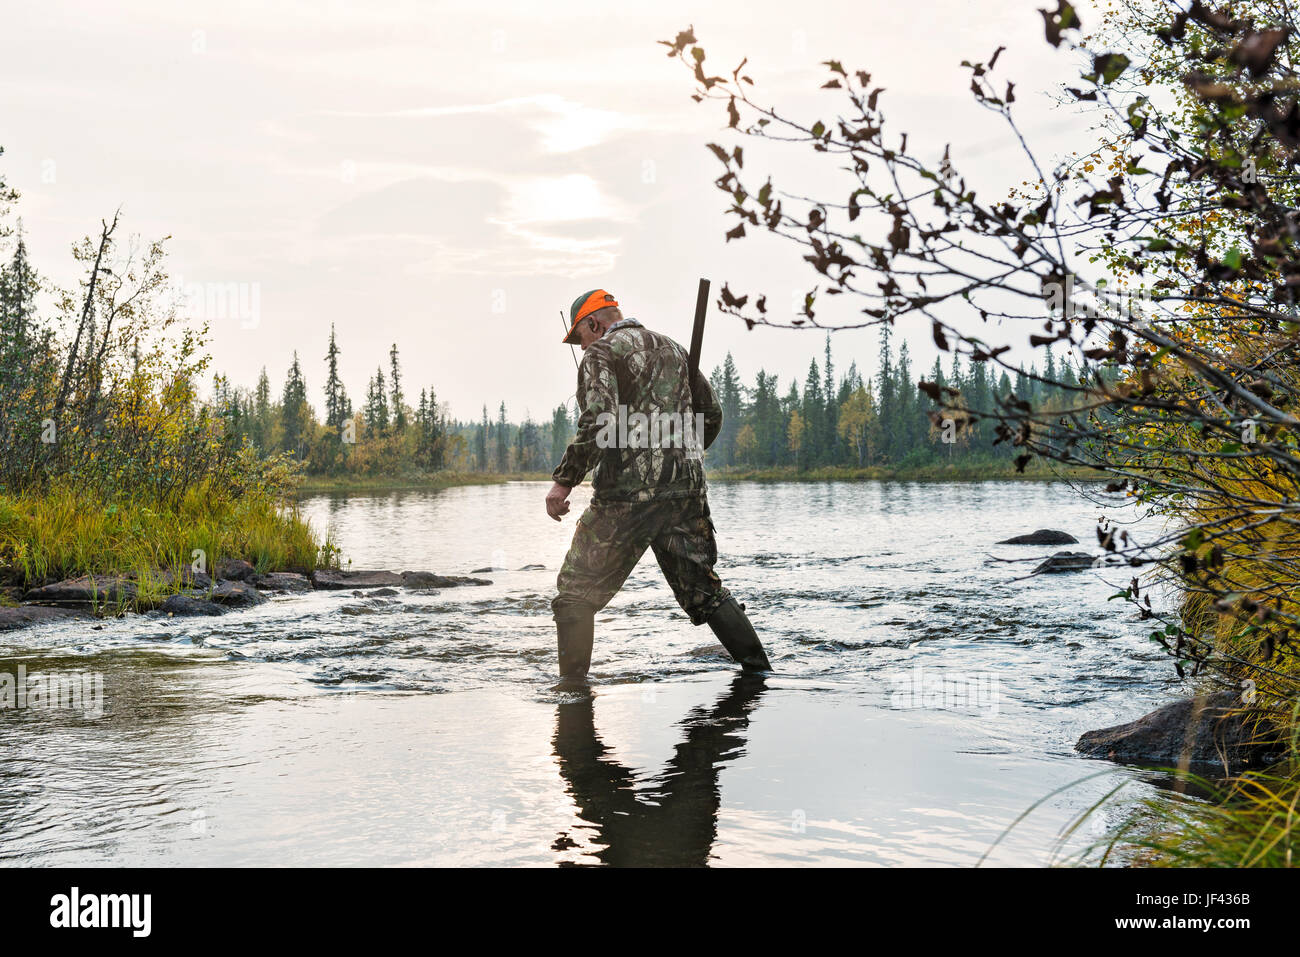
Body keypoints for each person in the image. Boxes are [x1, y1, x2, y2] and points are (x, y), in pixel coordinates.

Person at [546, 287, 773, 690]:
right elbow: (712, 414)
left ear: (594, 324)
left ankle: (572, 695)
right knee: (704, 590)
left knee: (575, 595)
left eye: (579, 338)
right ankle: (760, 674)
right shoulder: (674, 349)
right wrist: (682, 455)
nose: (582, 348)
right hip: (686, 494)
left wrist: (564, 482)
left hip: (625, 499)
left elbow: (599, 420)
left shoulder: (601, 353)